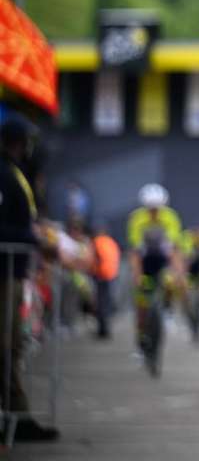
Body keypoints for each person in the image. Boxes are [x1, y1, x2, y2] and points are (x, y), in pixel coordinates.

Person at [0, 114, 58, 442]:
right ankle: (15, 417)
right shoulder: (6, 176)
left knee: (12, 345)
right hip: (6, 272)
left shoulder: (16, 175)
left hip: (15, 271)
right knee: (6, 346)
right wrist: (32, 237)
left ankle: (16, 415)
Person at [126, 182, 183, 356]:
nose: (154, 212)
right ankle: (140, 341)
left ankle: (168, 310)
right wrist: (136, 275)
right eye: (150, 209)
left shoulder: (171, 218)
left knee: (169, 280)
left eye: (157, 208)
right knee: (142, 301)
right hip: (145, 261)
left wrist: (177, 272)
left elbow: (174, 249)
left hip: (162, 259)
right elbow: (135, 252)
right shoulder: (137, 219)